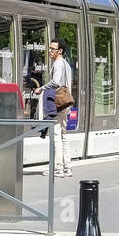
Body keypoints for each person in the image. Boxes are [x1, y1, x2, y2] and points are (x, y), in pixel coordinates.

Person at [41, 38, 73, 177]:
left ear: (60, 51)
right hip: (66, 101)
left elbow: (56, 82)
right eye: (49, 48)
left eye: (53, 49)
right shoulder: (66, 64)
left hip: (58, 103)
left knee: (56, 135)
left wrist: (41, 88)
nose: (50, 51)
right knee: (64, 135)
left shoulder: (58, 64)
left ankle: (58, 168)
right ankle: (67, 167)